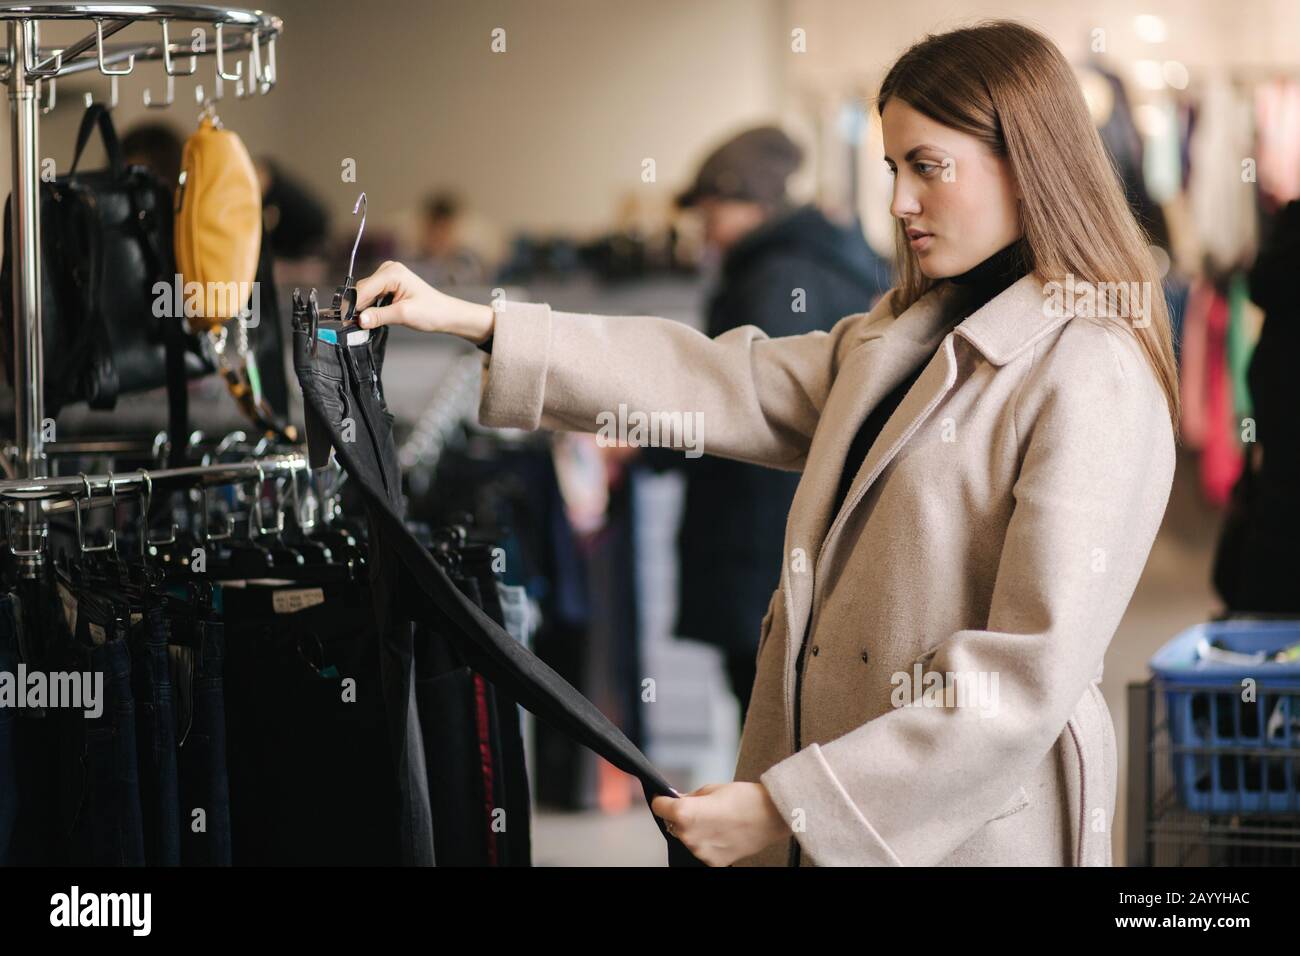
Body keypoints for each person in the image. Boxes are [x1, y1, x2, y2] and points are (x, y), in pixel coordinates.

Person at [351, 20, 1180, 867]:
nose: (899, 203)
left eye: (927, 167)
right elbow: (722, 381)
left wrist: (790, 809)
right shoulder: (908, 330)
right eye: (894, 169)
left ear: (1027, 160)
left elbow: (1023, 679)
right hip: (848, 803)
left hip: (968, 834)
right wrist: (480, 324)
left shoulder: (1093, 368)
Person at [667, 125, 890, 725]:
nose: (704, 227)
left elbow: (745, 401)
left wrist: (646, 448)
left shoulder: (774, 278)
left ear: (751, 204)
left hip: (762, 541)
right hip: (799, 539)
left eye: (711, 209)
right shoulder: (827, 262)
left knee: (766, 715)